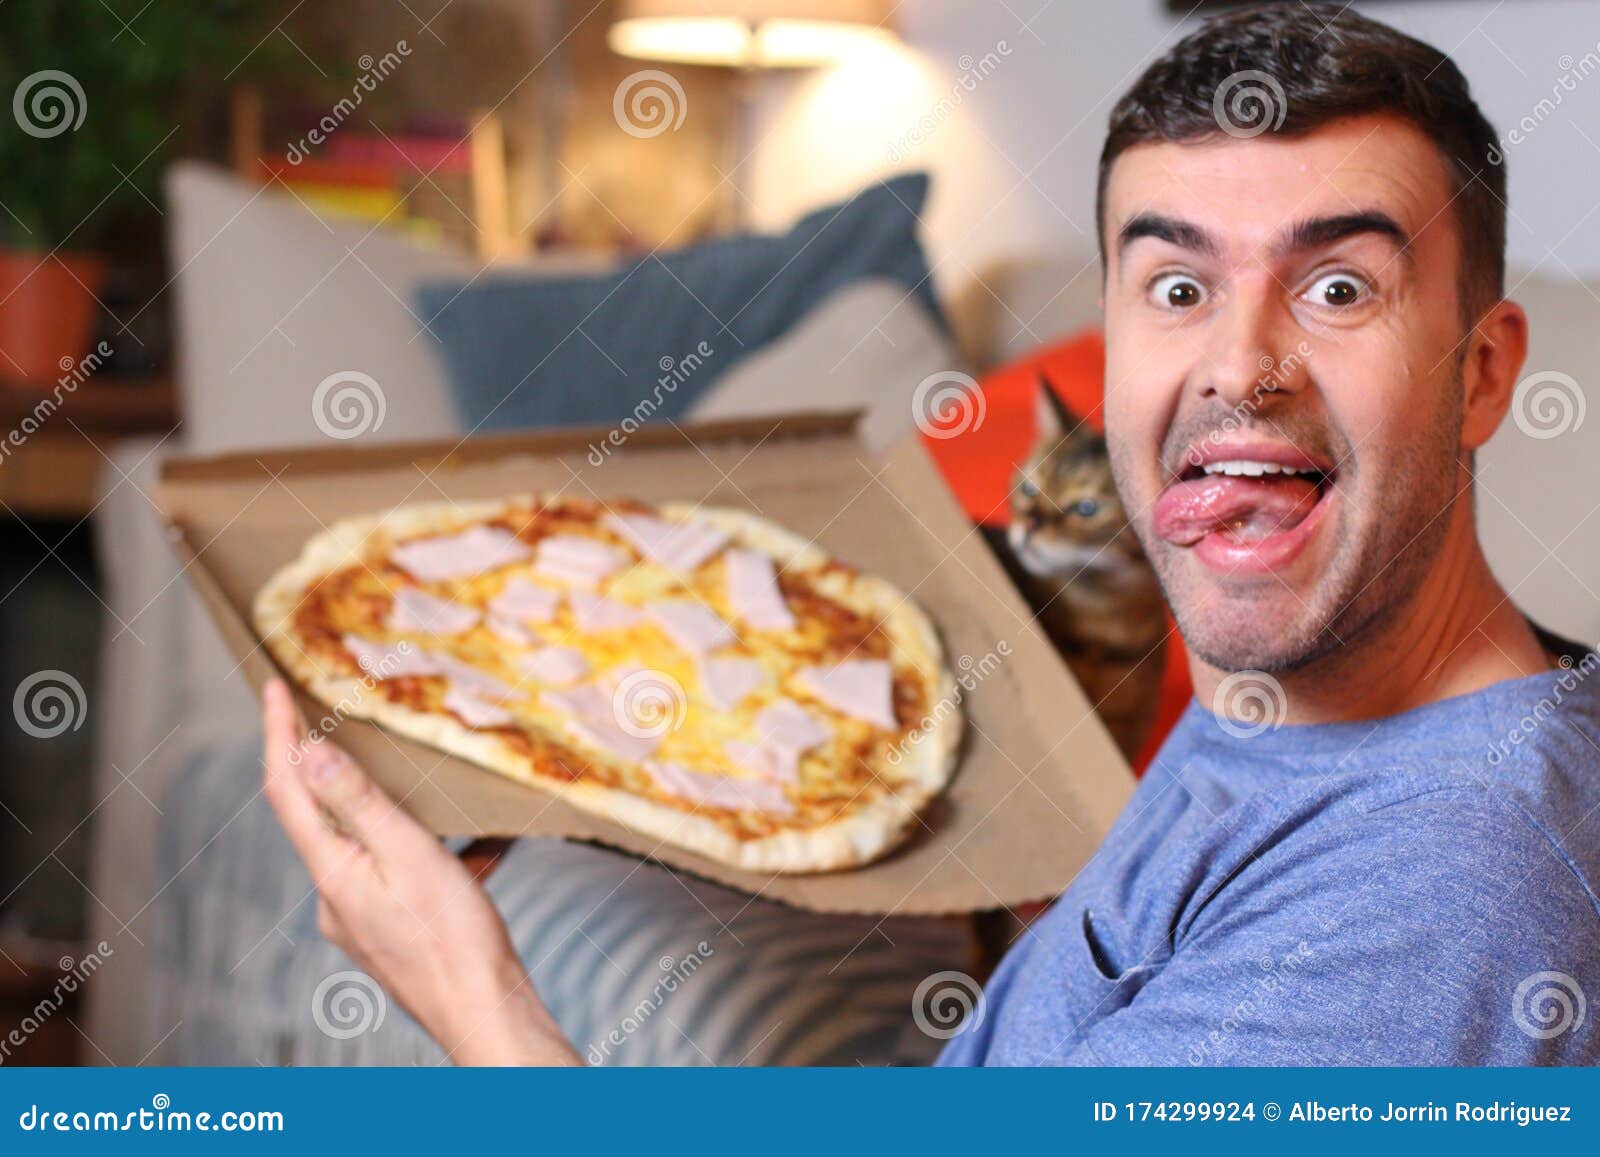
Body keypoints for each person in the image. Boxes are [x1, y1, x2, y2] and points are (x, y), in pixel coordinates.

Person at [261, 3, 1600, 1065]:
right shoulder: (1298, 685)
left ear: (1485, 370)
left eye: (1338, 285)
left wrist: (473, 996)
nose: (1240, 366)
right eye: (1178, 283)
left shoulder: (1434, 900)